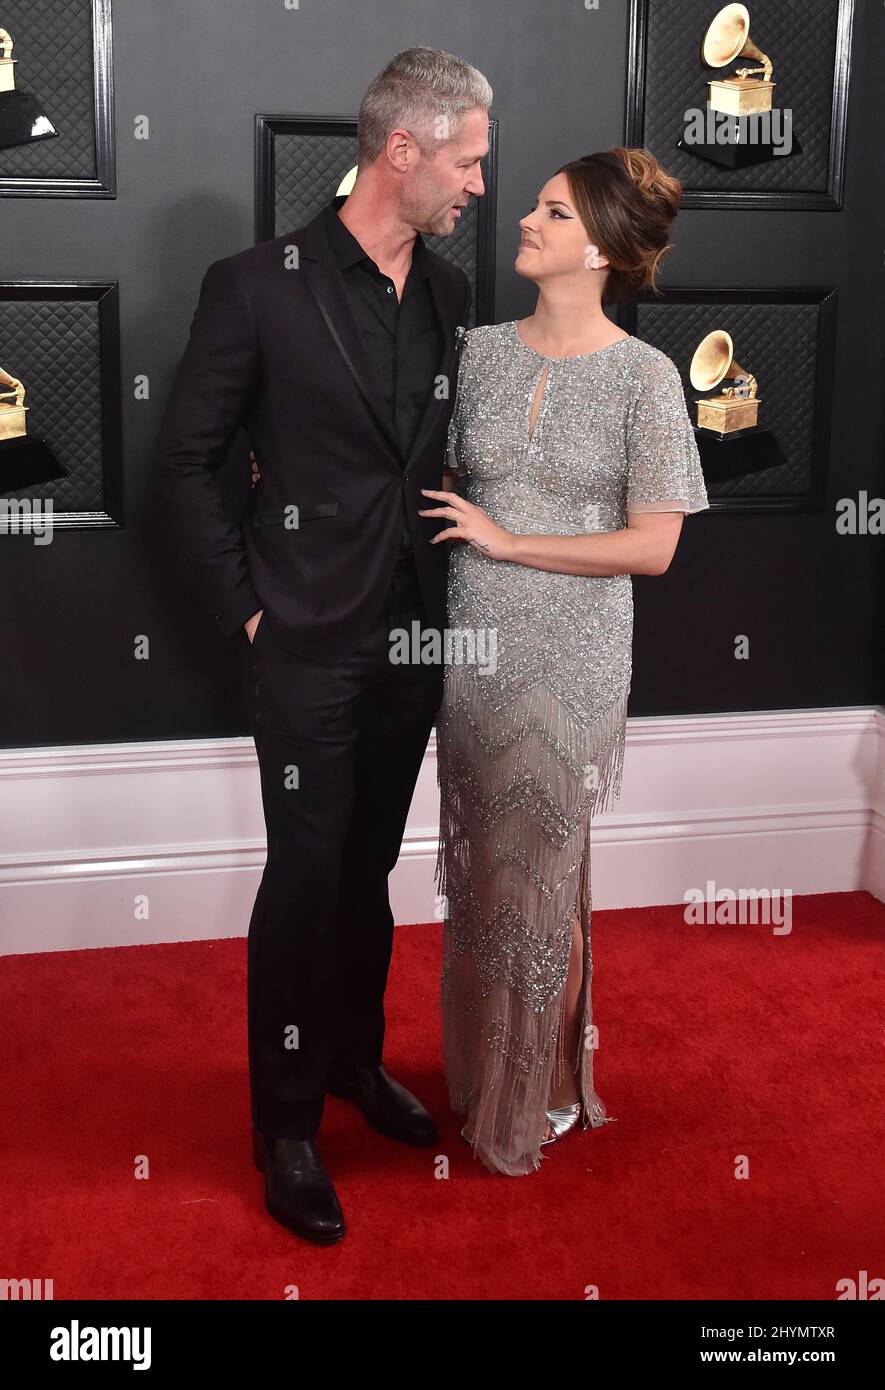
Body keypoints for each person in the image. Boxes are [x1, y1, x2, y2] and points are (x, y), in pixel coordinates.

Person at [155, 48, 492, 1241]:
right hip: (302, 642)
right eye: (467, 161)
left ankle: (354, 1060)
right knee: (303, 880)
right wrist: (251, 611)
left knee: (367, 874)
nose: (478, 185)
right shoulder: (257, 285)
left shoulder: (455, 296)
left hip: (411, 635)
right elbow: (186, 464)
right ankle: (285, 1123)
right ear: (402, 150)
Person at [420, 147, 710, 1176]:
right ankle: (484, 1067)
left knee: (542, 876)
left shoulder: (646, 376)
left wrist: (508, 540)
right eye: (533, 205)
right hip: (475, 654)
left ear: (599, 244)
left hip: (577, 654)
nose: (525, 222)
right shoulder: (479, 351)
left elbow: (656, 544)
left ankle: (538, 1086)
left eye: (550, 211)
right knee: (487, 876)